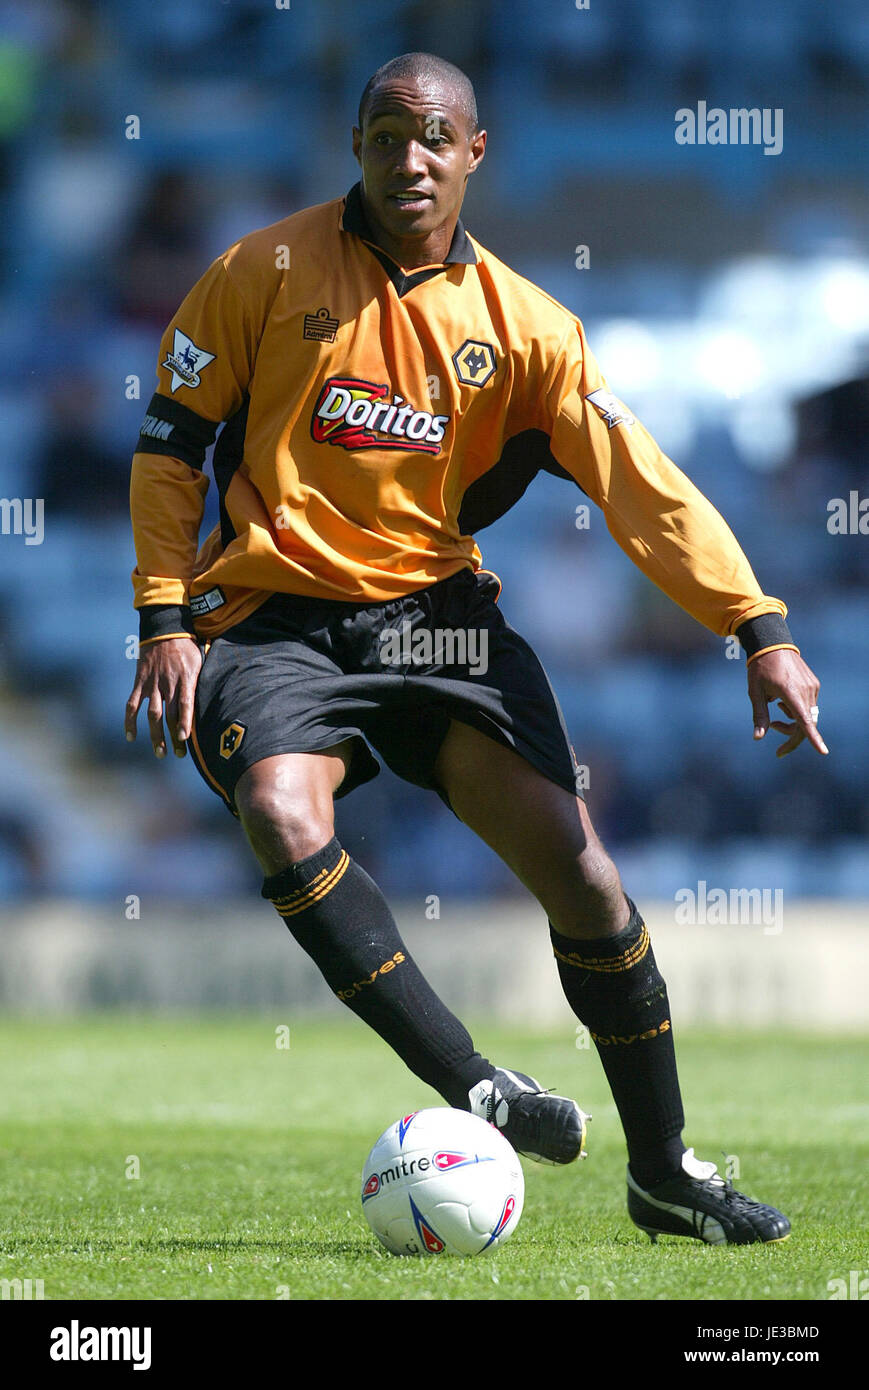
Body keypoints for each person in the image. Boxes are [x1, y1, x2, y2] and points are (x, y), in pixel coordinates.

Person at [126, 52, 826, 1246]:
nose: (409, 158)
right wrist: (162, 614)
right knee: (282, 814)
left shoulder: (527, 329)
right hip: (270, 615)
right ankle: (474, 1085)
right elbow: (168, 447)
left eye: (433, 138)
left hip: (436, 619)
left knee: (583, 876)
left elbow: (641, 490)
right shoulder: (258, 271)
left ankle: (662, 1171)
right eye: (385, 135)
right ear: (354, 145)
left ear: (473, 153)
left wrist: (754, 624)